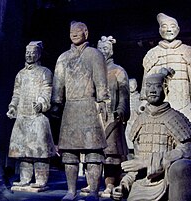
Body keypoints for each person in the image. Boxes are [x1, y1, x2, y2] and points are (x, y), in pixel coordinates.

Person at [112, 69, 191, 201]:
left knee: (182, 167)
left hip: (168, 181)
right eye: (149, 86)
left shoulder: (176, 118)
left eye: (157, 86)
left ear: (165, 89)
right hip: (142, 185)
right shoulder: (140, 121)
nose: (152, 90)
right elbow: (136, 164)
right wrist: (123, 185)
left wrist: (148, 163)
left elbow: (188, 152)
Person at [51, 21, 108, 201]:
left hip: (89, 106)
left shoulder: (94, 54)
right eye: (71, 31)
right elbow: (58, 83)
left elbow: (100, 80)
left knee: (93, 153)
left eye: (78, 31)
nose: (74, 34)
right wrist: (56, 102)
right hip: (70, 109)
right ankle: (71, 191)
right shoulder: (63, 57)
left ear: (86, 33)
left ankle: (93, 191)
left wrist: (103, 100)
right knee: (69, 154)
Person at [140, 13, 191, 153]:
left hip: (183, 102)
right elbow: (147, 81)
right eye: (164, 27)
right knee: (160, 136)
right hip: (162, 104)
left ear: (178, 29)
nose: (169, 30)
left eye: (172, 26)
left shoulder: (188, 52)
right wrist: (143, 100)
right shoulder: (153, 53)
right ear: (159, 31)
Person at [6, 41, 56, 189]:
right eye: (27, 52)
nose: (29, 54)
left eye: (32, 52)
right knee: (24, 151)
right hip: (22, 116)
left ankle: (41, 181)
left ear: (39, 54)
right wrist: (13, 107)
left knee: (39, 152)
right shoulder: (20, 74)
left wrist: (41, 103)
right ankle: (25, 179)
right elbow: (16, 93)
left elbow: (47, 90)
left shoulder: (45, 72)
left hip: (37, 117)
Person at [97, 36, 130, 197]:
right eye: (100, 48)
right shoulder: (93, 70)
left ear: (111, 51)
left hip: (112, 117)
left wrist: (121, 110)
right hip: (95, 117)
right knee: (95, 154)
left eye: (106, 49)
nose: (103, 51)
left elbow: (124, 94)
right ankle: (93, 185)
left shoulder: (118, 70)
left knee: (111, 154)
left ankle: (111, 185)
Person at [125, 78, 141, 155]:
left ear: (136, 86)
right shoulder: (126, 97)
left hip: (137, 121)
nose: (131, 87)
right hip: (128, 121)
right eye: (130, 85)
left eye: (133, 85)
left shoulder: (139, 97)